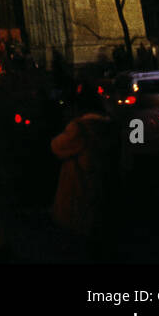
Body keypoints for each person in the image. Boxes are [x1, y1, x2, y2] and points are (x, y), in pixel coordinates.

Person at [50, 83, 114, 244]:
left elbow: (57, 146)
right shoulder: (107, 126)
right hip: (101, 183)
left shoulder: (80, 128)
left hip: (79, 187)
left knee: (79, 236)